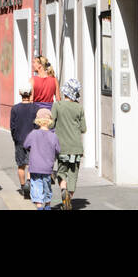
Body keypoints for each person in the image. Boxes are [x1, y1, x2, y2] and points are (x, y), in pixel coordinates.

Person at [51, 78, 87, 209]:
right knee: (73, 174)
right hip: (76, 147)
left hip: (62, 146)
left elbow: (51, 123)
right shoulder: (79, 108)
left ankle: (63, 190)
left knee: (61, 171)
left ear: (65, 91)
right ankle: (69, 198)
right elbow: (83, 129)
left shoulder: (57, 105)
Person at [23, 108, 60, 211]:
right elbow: (58, 150)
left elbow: (26, 145)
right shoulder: (53, 136)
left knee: (36, 187)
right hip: (47, 167)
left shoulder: (33, 134)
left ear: (37, 120)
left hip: (35, 167)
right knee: (47, 186)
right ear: (50, 121)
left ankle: (39, 207)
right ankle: (47, 205)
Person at [10, 86, 40, 198]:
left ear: (20, 93)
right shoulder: (36, 108)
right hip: (32, 140)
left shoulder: (15, 109)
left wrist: (15, 138)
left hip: (19, 140)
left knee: (21, 165)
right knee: (31, 164)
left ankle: (23, 187)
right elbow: (37, 125)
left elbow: (12, 126)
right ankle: (29, 182)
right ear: (31, 93)